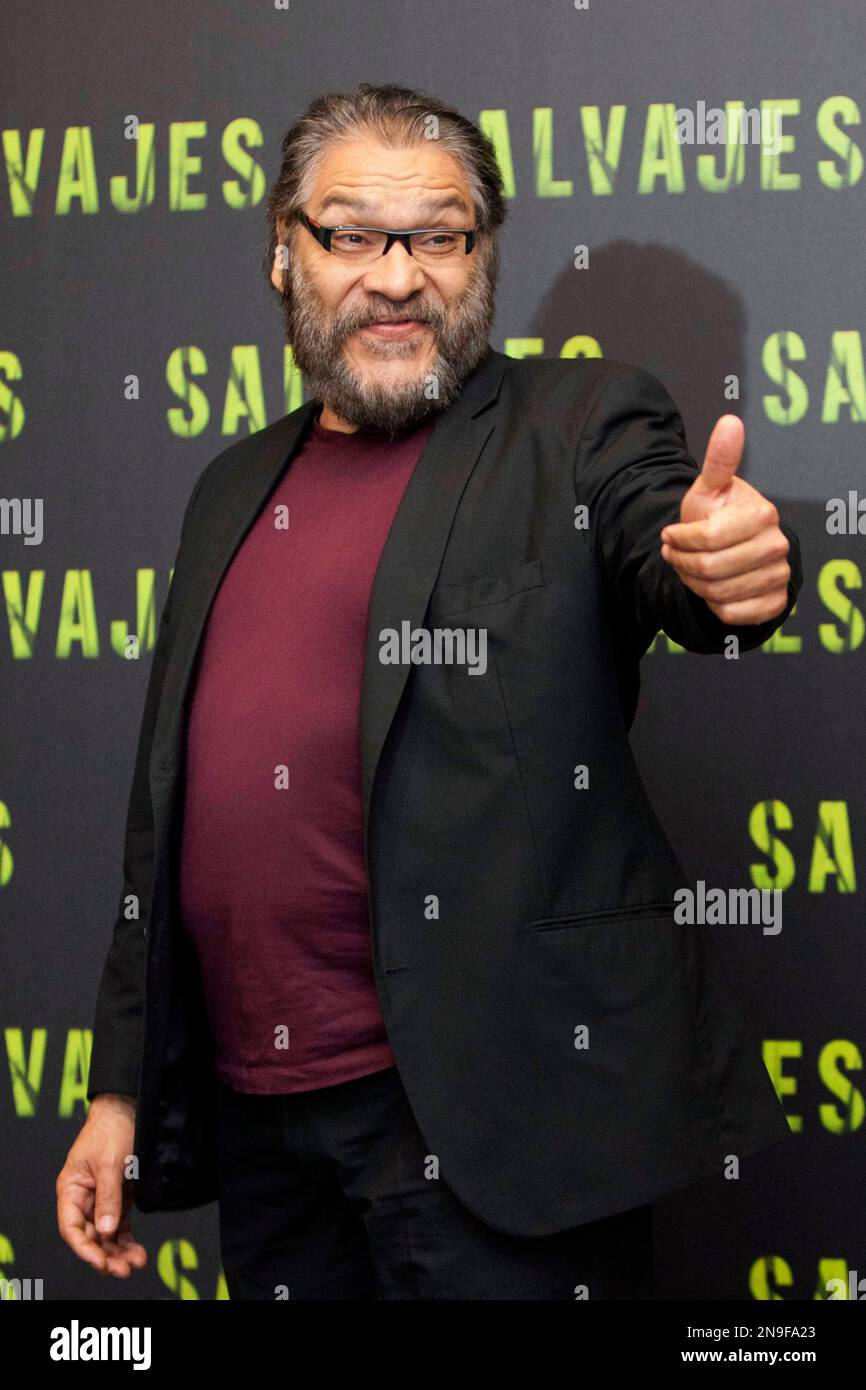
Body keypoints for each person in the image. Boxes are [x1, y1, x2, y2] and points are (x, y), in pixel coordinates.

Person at [57, 83, 802, 1300]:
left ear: (481, 254)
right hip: (267, 1131)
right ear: (281, 254)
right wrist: (121, 1089)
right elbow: (168, 821)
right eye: (351, 233)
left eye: (439, 235)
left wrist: (724, 569)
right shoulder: (228, 487)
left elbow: (664, 545)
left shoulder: (578, 425)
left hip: (491, 1122)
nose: (396, 276)